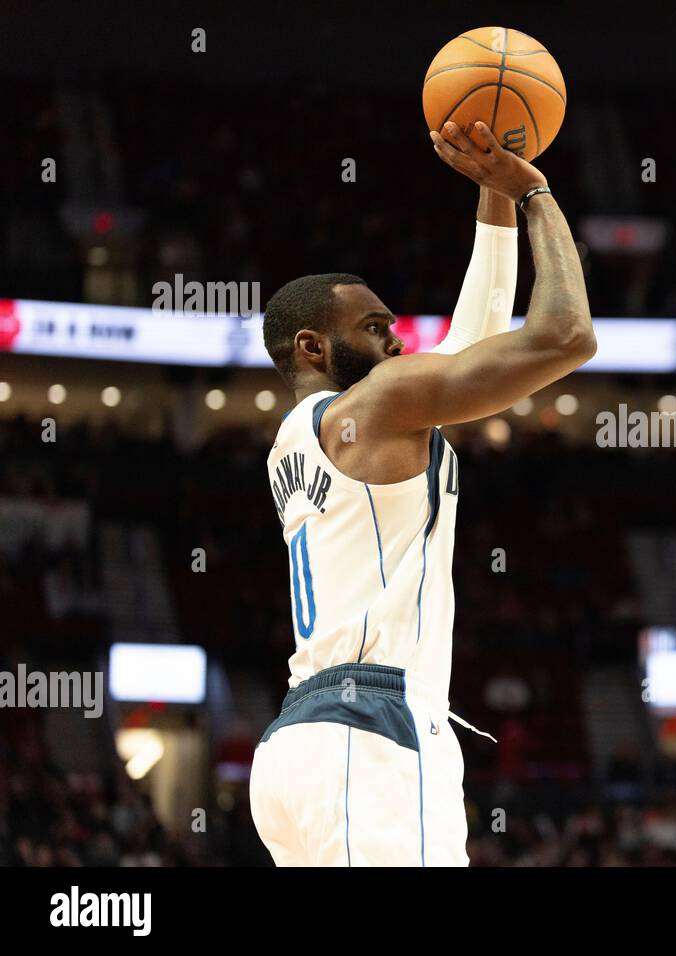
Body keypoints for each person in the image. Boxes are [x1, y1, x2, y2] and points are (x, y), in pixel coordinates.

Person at [249, 121, 595, 866]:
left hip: (303, 741)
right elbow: (567, 335)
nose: (398, 344)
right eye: (377, 329)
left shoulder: (302, 435)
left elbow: (468, 350)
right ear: (312, 345)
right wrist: (535, 193)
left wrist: (491, 201)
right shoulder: (376, 403)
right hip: (368, 735)